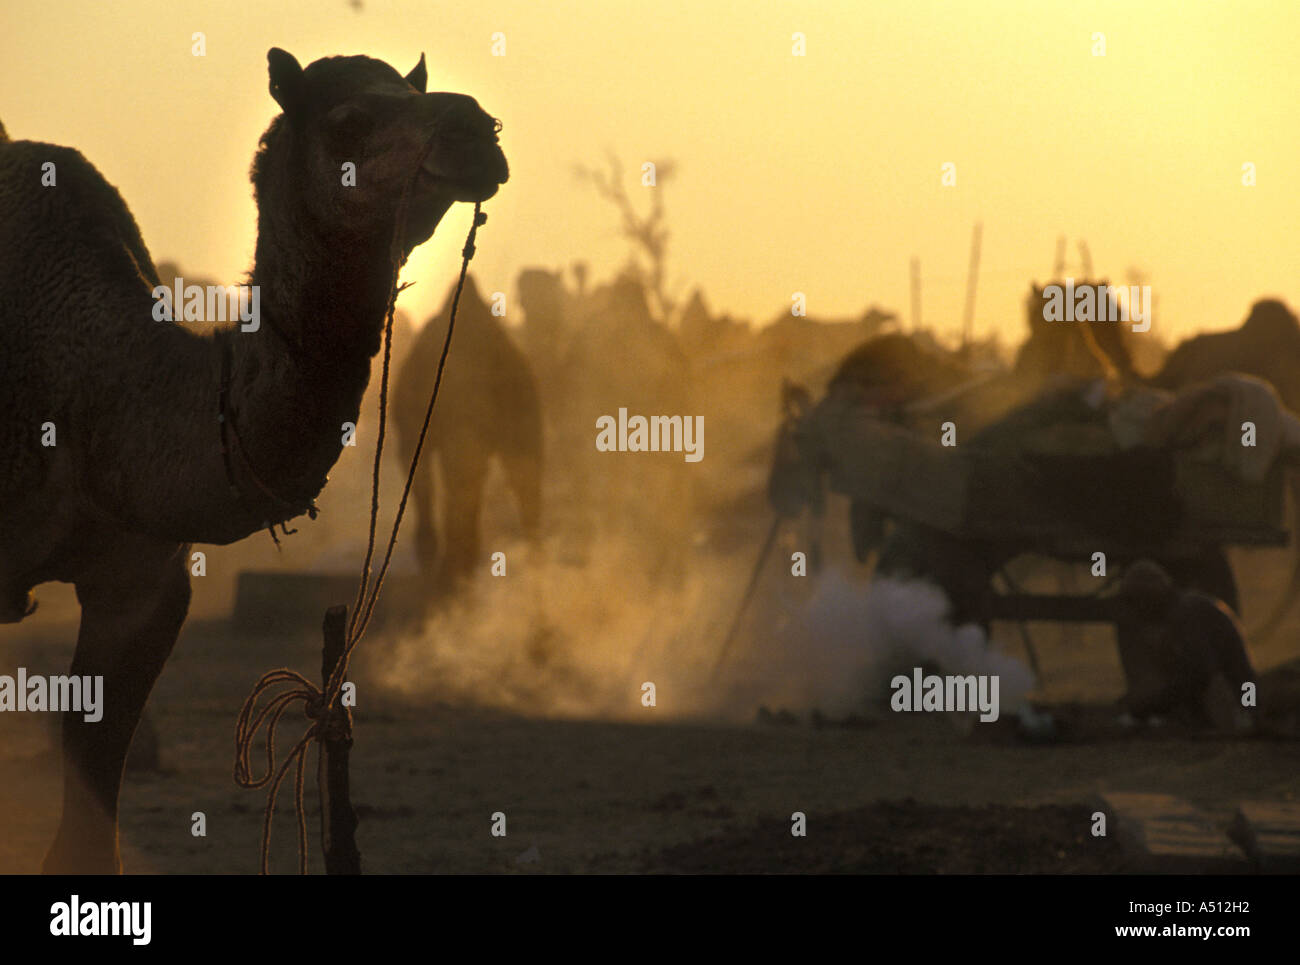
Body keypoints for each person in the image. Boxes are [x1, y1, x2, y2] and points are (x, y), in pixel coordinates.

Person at [1114, 559, 1256, 728]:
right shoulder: (1183, 610)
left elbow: (1200, 674)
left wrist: (1151, 706)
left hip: (1237, 700)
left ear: (1149, 598)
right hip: (1238, 694)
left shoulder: (1186, 614)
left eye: (1136, 601)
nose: (1137, 610)